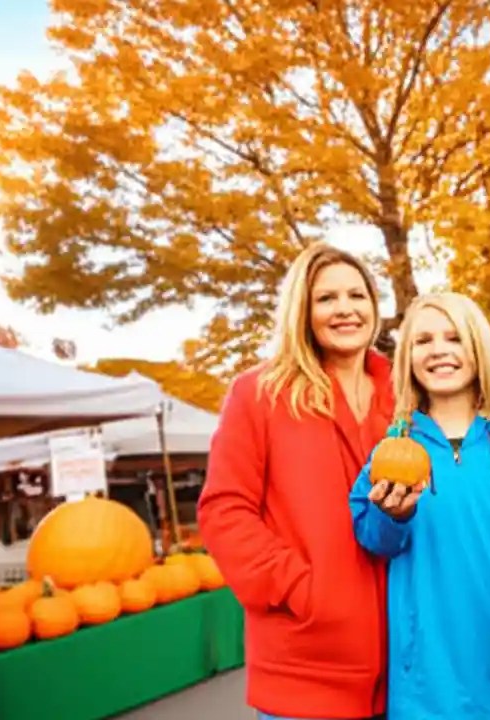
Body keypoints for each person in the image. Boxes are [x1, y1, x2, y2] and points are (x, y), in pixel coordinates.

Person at [197, 244, 393, 720]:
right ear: (303, 310)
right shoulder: (260, 393)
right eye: (327, 299)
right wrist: (300, 589)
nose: (345, 309)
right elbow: (224, 509)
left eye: (357, 295)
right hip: (305, 662)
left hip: (405, 667)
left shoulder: (405, 396)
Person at [349, 292, 490, 720]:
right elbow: (370, 534)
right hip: (425, 671)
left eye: (454, 337)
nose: (439, 349)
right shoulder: (396, 443)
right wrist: (394, 515)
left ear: (477, 349)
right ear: (407, 357)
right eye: (423, 340)